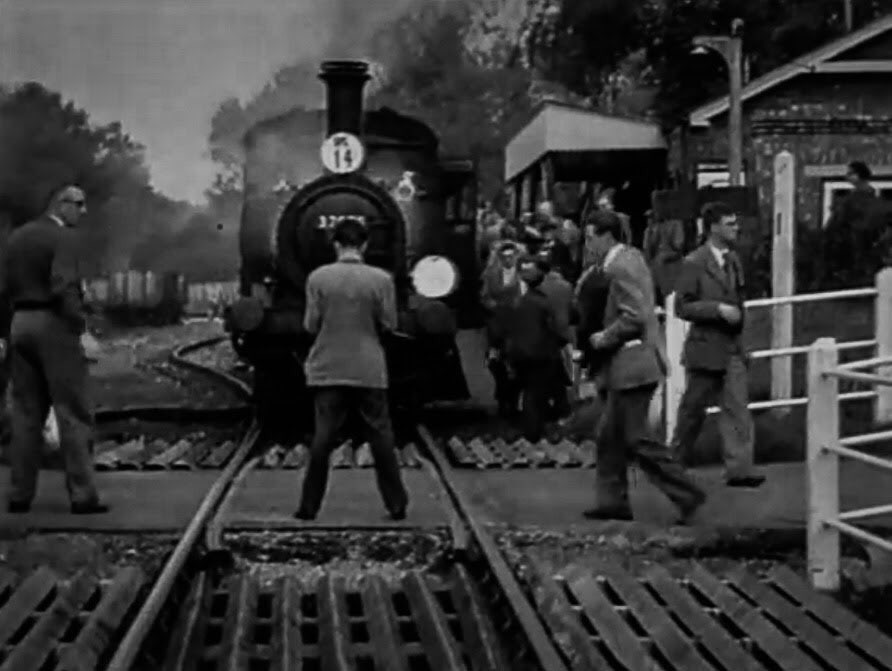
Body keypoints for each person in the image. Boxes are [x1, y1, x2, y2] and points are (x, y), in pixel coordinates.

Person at [582, 210, 705, 522]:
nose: (587, 244)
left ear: (604, 235)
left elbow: (635, 315)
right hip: (626, 367)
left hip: (632, 365)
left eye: (590, 237)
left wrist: (603, 338)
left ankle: (687, 493)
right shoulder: (627, 259)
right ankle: (612, 502)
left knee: (636, 438)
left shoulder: (621, 265)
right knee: (609, 436)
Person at [0, 185, 107, 514]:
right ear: (61, 206)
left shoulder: (16, 238)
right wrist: (82, 330)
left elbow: (2, 287)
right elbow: (63, 286)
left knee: (25, 414)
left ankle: (19, 496)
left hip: (19, 323)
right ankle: (83, 496)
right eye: (78, 204)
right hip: (53, 324)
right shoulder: (63, 239)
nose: (83, 211)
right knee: (73, 411)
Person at [295, 217, 409, 521]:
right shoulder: (381, 279)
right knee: (381, 436)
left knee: (322, 439)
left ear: (335, 243)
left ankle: (309, 507)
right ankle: (396, 504)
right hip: (369, 366)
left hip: (327, 365)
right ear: (365, 244)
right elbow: (390, 324)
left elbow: (310, 324)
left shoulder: (318, 278)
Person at [670, 202, 765, 488]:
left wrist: (743, 343)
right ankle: (673, 463)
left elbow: (740, 303)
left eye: (736, 223)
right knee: (692, 412)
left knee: (738, 409)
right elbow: (681, 306)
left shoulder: (734, 260)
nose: (736, 228)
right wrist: (716, 309)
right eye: (730, 223)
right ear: (713, 227)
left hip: (731, 348)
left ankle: (740, 469)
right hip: (705, 349)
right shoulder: (694, 262)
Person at [505, 255, 568, 441]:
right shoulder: (544, 302)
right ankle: (534, 430)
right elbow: (555, 327)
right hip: (541, 353)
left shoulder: (515, 300)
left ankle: (523, 426)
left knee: (523, 390)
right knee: (536, 391)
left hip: (518, 353)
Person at [480, 241, 523, 416]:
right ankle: (501, 396)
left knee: (516, 365)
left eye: (511, 256)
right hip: (496, 327)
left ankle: (512, 401)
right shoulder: (490, 275)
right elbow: (484, 296)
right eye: (504, 257)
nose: (507, 260)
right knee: (495, 361)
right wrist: (493, 305)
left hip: (517, 328)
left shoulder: (523, 274)